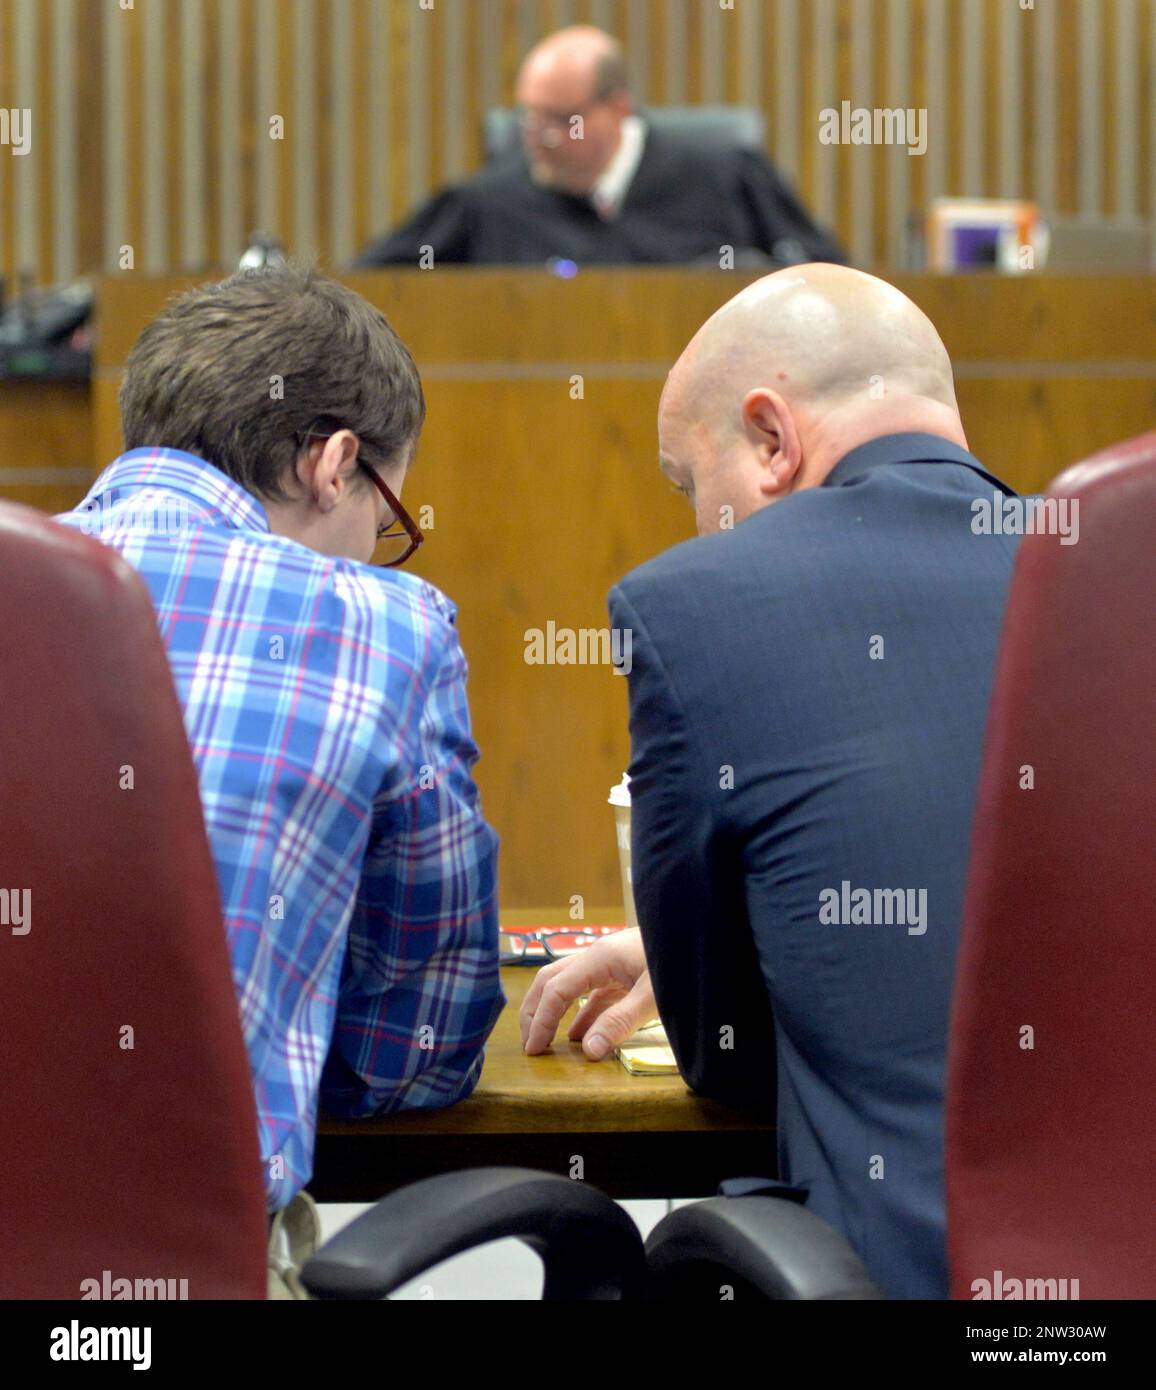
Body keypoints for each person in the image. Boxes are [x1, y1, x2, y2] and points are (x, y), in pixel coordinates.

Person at [521, 264, 1024, 1299]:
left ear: (769, 438)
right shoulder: (1107, 565)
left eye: (684, 483)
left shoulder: (697, 604)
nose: (692, 519)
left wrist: (724, 947)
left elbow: (725, 1055)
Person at [53, 264, 503, 1298]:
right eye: (387, 512)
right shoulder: (382, 624)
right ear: (333, 463)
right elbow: (411, 1051)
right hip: (166, 1264)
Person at [355, 26, 844, 268]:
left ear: (618, 108)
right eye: (528, 117)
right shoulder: (486, 203)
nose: (539, 136)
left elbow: (826, 275)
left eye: (560, 119)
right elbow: (384, 283)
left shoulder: (727, 178)